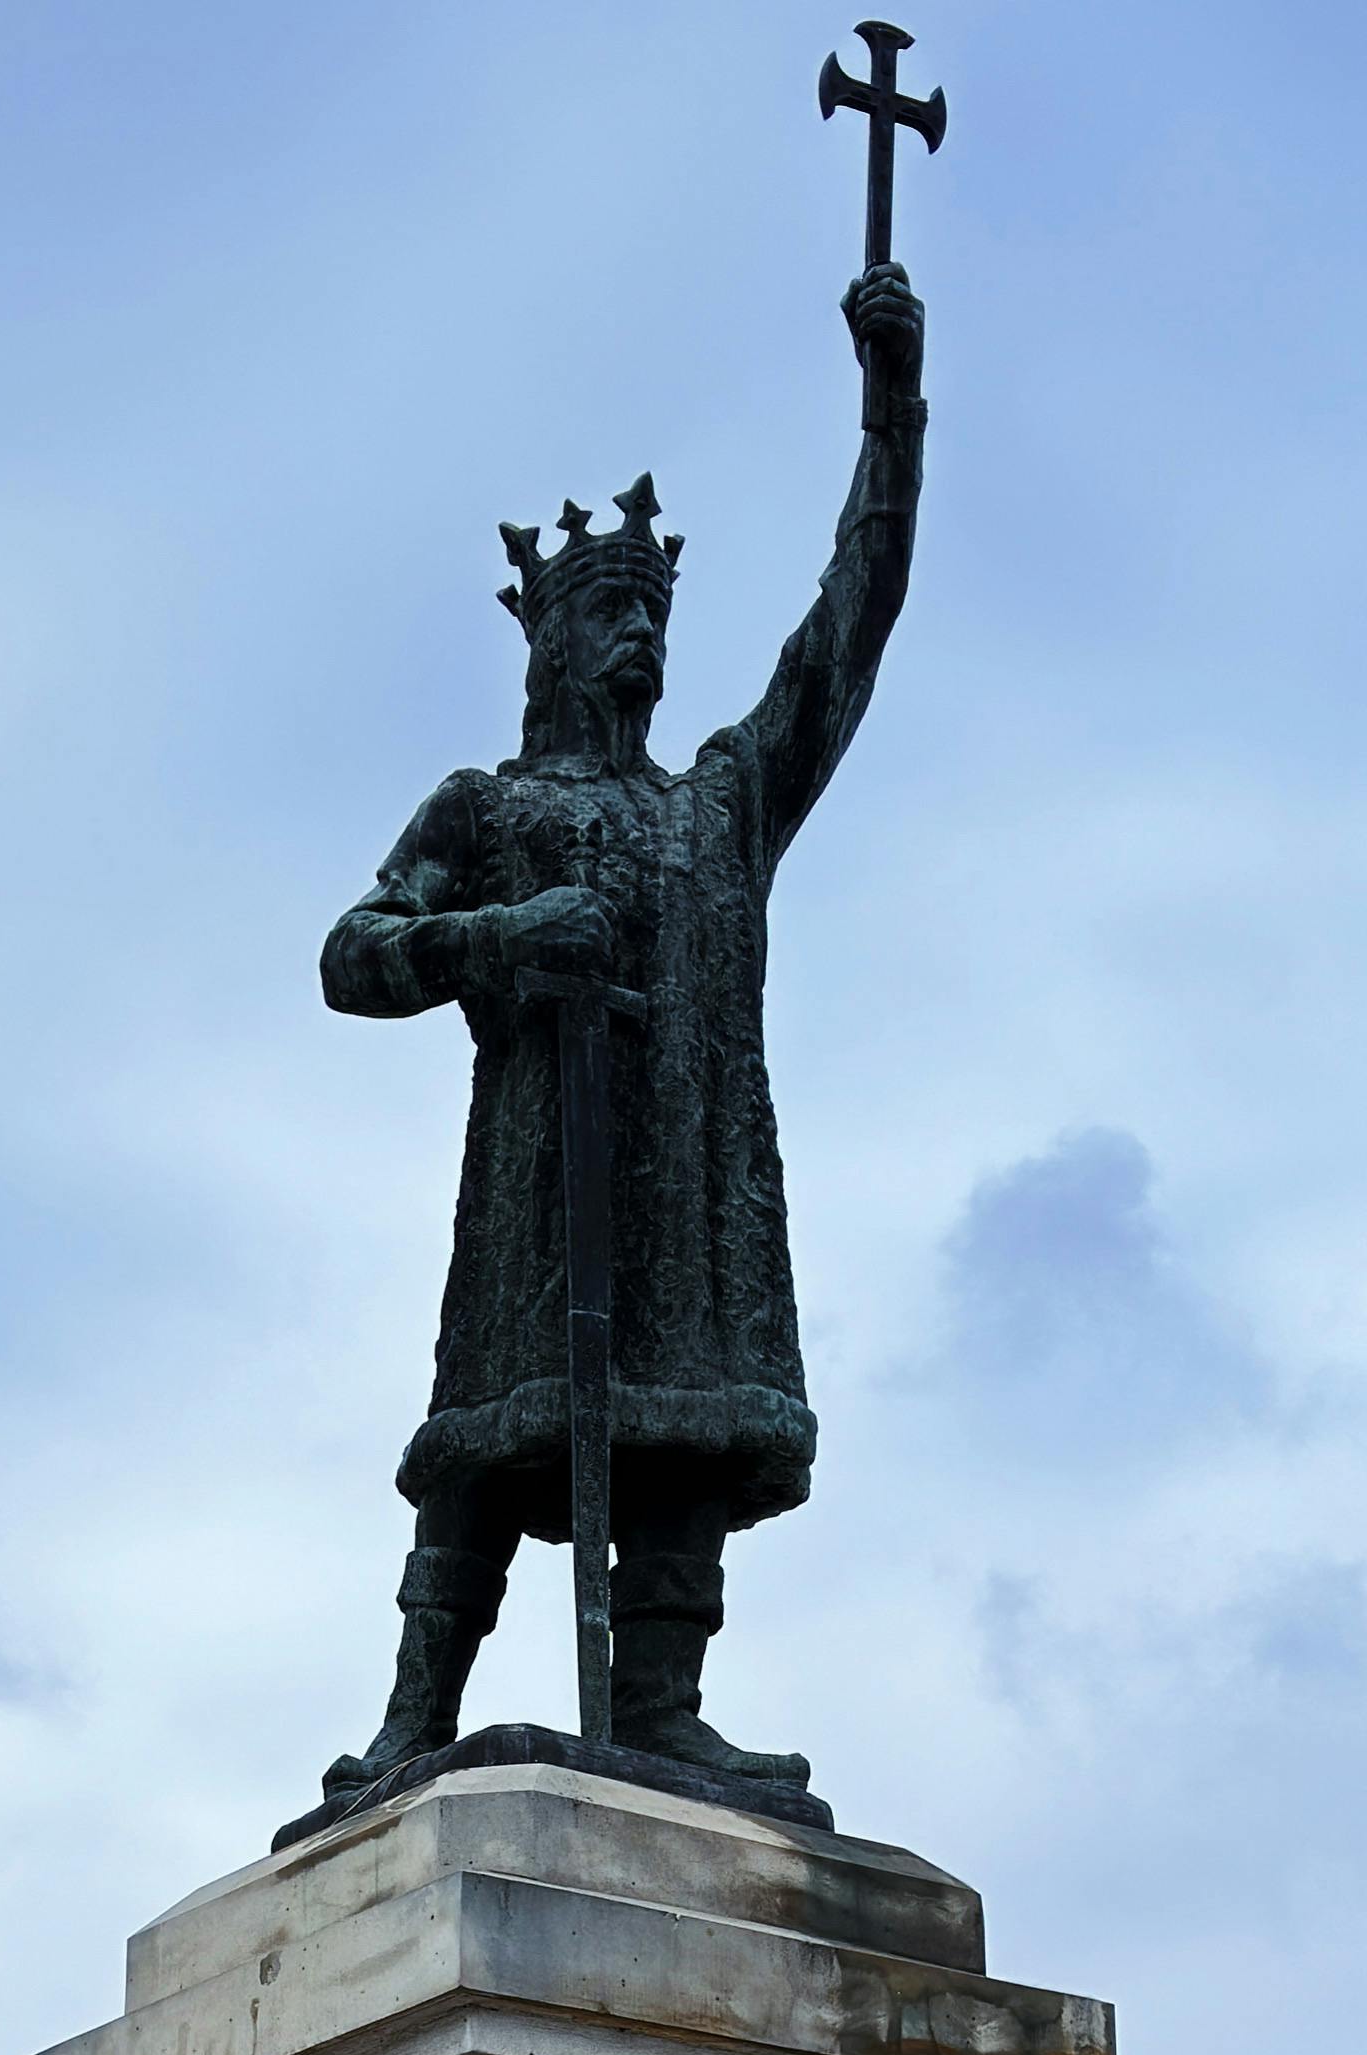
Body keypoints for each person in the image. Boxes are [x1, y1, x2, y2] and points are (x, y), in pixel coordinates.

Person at [313, 263, 928, 1815]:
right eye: (608, 611)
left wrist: (889, 416)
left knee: (680, 1433)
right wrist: (500, 941)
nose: (637, 630)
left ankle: (660, 1706)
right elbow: (353, 957)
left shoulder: (719, 806)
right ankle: (413, 1716)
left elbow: (846, 634)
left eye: (653, 610)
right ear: (553, 645)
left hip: (686, 1192)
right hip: (536, 1198)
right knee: (480, 1442)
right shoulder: (489, 807)